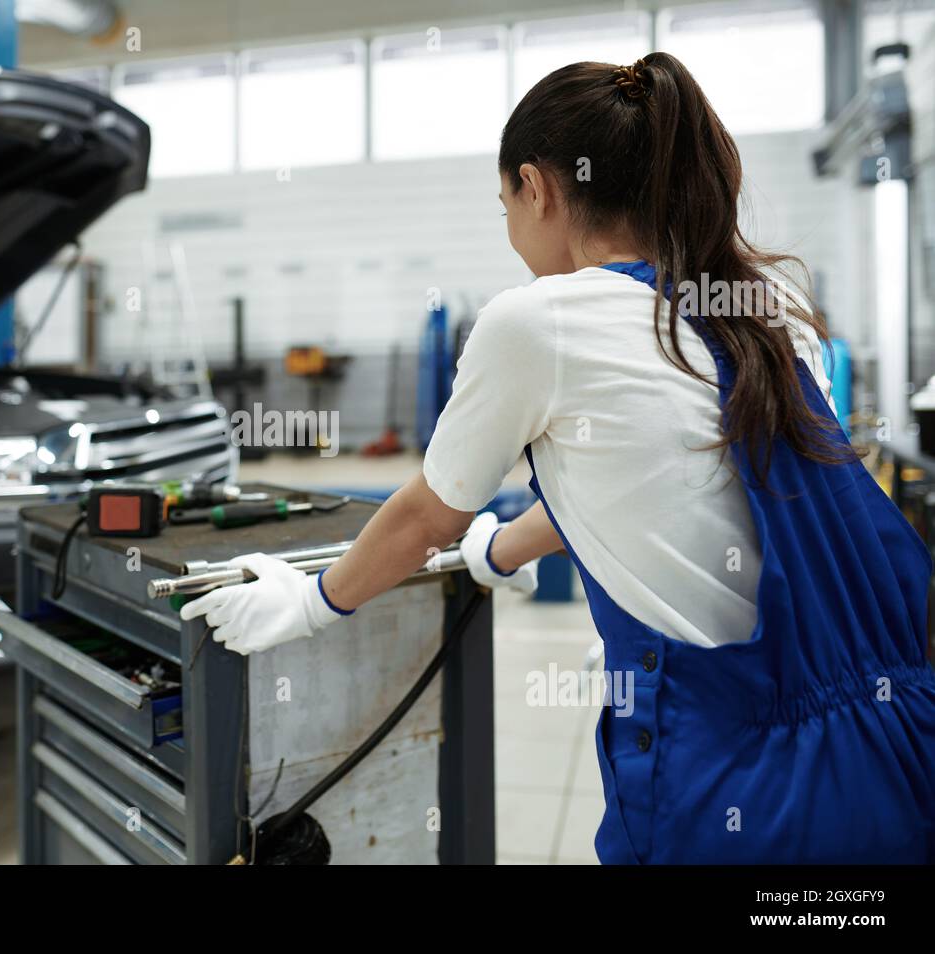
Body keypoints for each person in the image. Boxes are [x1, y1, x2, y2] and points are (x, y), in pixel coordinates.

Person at [179, 53, 935, 864]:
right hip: (901, 740)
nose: (509, 232)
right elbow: (664, 479)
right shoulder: (764, 303)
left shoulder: (539, 323)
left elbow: (427, 514)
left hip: (747, 789)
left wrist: (313, 602)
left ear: (537, 187)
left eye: (504, 204)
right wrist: (499, 549)